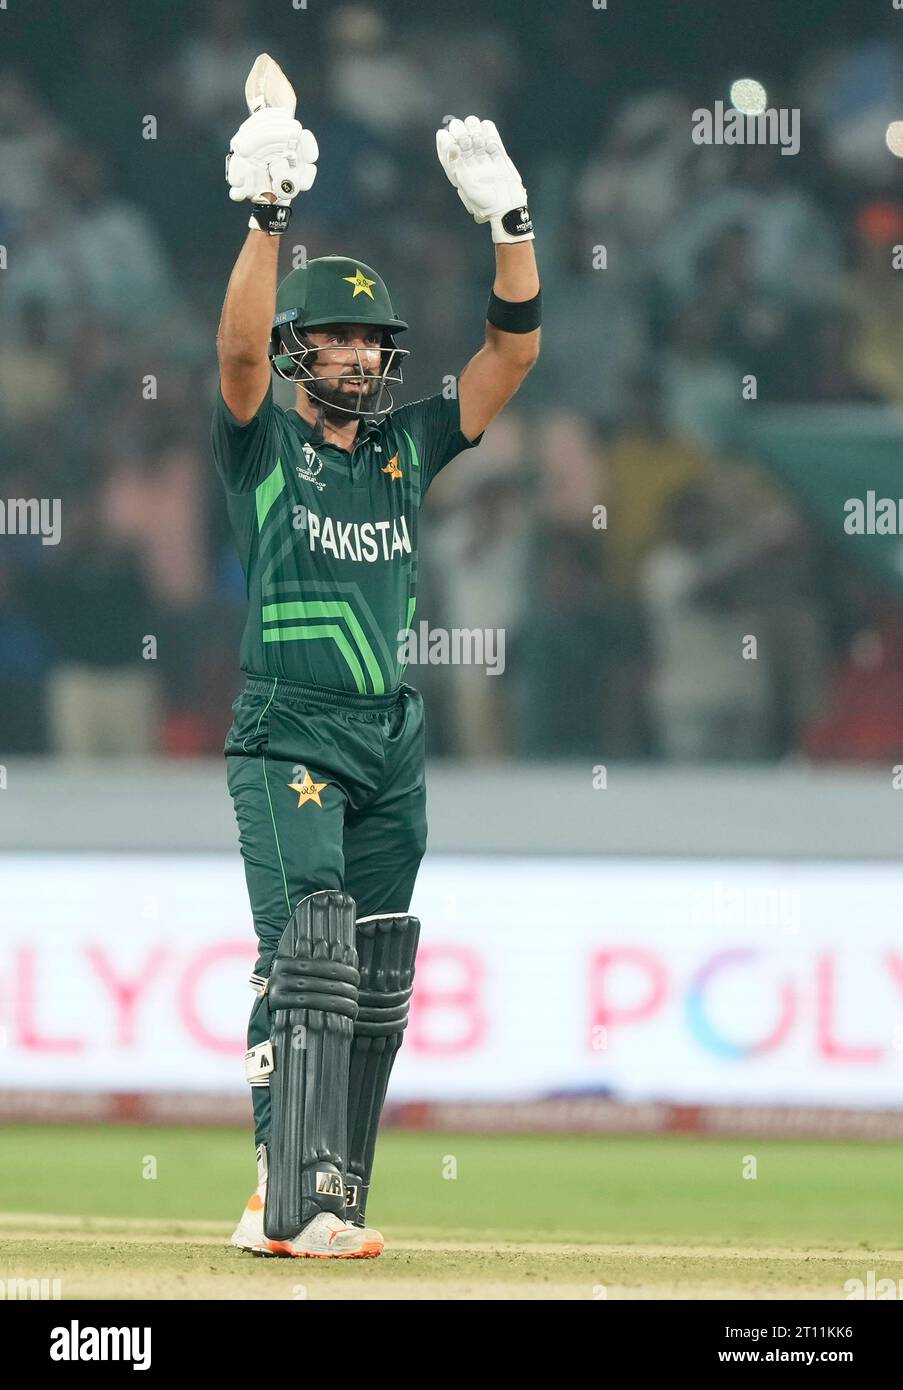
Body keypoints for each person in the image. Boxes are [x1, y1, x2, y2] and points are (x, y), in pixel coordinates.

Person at [213, 58, 540, 1258]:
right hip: (290, 724)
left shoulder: (405, 448)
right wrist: (265, 223)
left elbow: (509, 362)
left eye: (371, 339)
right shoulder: (259, 446)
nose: (358, 355)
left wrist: (512, 230)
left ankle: (328, 1187)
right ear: (305, 349)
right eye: (338, 337)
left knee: (371, 962)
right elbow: (239, 358)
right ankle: (279, 1193)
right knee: (303, 941)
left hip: (389, 733)